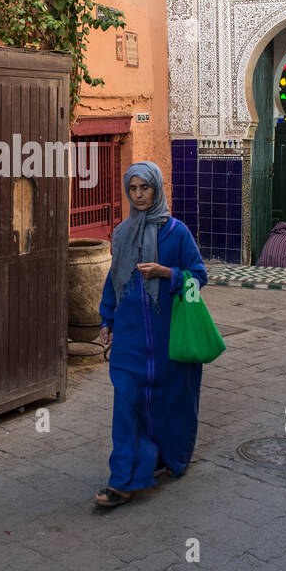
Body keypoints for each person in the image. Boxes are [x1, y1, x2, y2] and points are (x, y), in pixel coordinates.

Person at [93, 162, 209, 507]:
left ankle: (169, 457)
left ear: (157, 190)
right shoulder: (122, 233)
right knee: (126, 404)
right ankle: (124, 480)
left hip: (168, 340)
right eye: (133, 188)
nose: (140, 195)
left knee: (170, 403)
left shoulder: (177, 233)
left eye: (146, 188)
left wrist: (167, 273)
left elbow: (198, 276)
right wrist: (106, 318)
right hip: (130, 342)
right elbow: (114, 279)